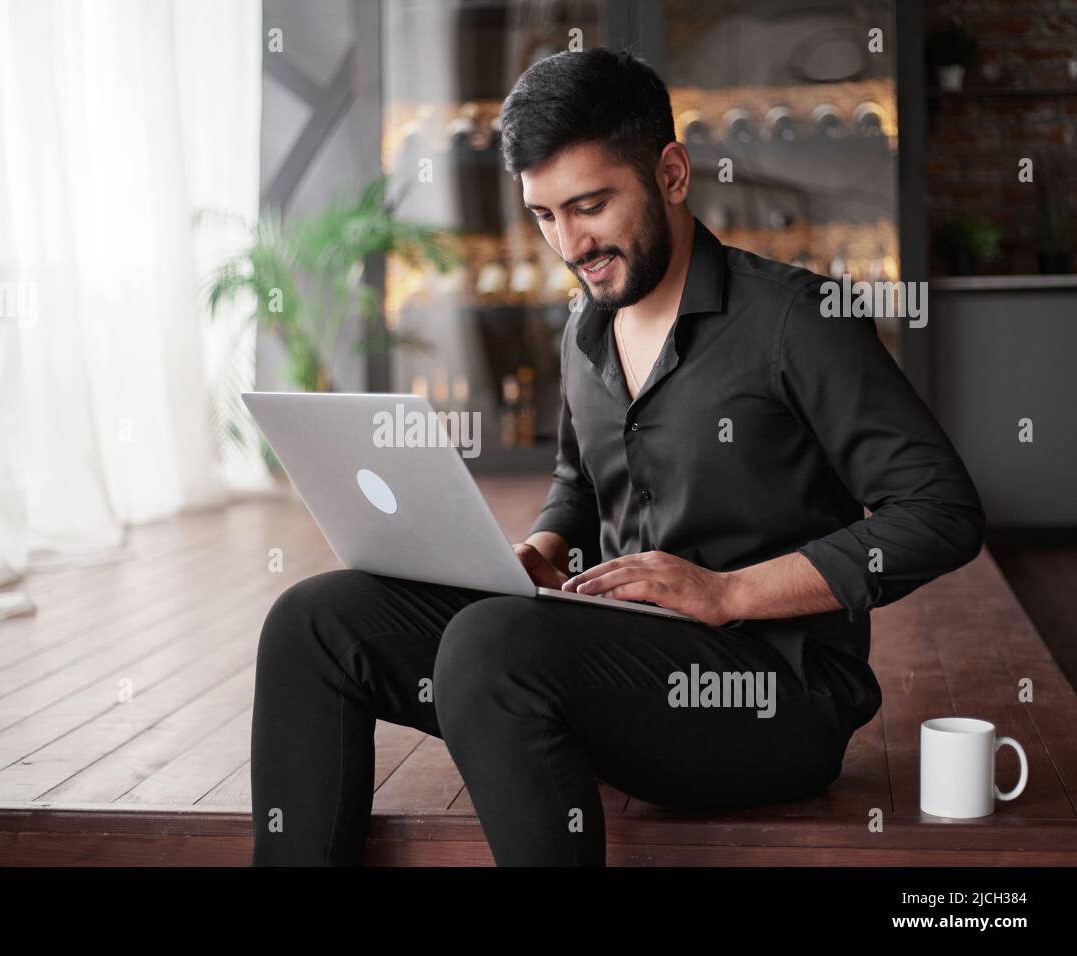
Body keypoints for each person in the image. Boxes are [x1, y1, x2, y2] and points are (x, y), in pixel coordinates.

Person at [249, 48, 986, 866]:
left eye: (591, 205)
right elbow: (578, 479)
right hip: (621, 662)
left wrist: (726, 591)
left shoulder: (795, 319)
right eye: (544, 216)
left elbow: (942, 512)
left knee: (490, 645)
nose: (570, 242)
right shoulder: (584, 330)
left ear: (671, 173)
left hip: (773, 697)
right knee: (314, 620)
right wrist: (544, 546)